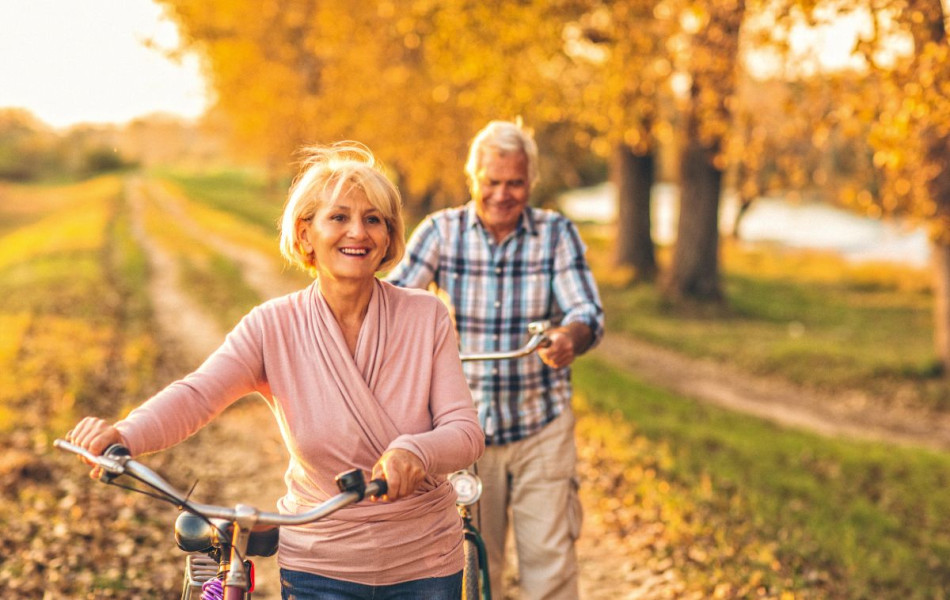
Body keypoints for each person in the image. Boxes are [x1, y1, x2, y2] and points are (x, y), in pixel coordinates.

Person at [66, 142, 485, 599]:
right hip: (320, 565)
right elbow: (198, 394)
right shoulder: (271, 326)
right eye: (339, 217)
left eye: (373, 219)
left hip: (423, 561)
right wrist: (124, 435)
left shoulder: (425, 316)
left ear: (388, 237)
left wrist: (415, 452)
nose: (358, 232)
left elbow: (465, 432)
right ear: (306, 234)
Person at [386, 120, 604, 599]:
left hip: (539, 426)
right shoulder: (441, 231)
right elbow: (394, 301)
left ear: (530, 182)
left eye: (515, 183)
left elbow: (586, 310)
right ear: (473, 179)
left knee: (550, 566)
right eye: (493, 182)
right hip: (465, 431)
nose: (503, 194)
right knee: (476, 566)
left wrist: (570, 335)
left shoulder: (555, 234)